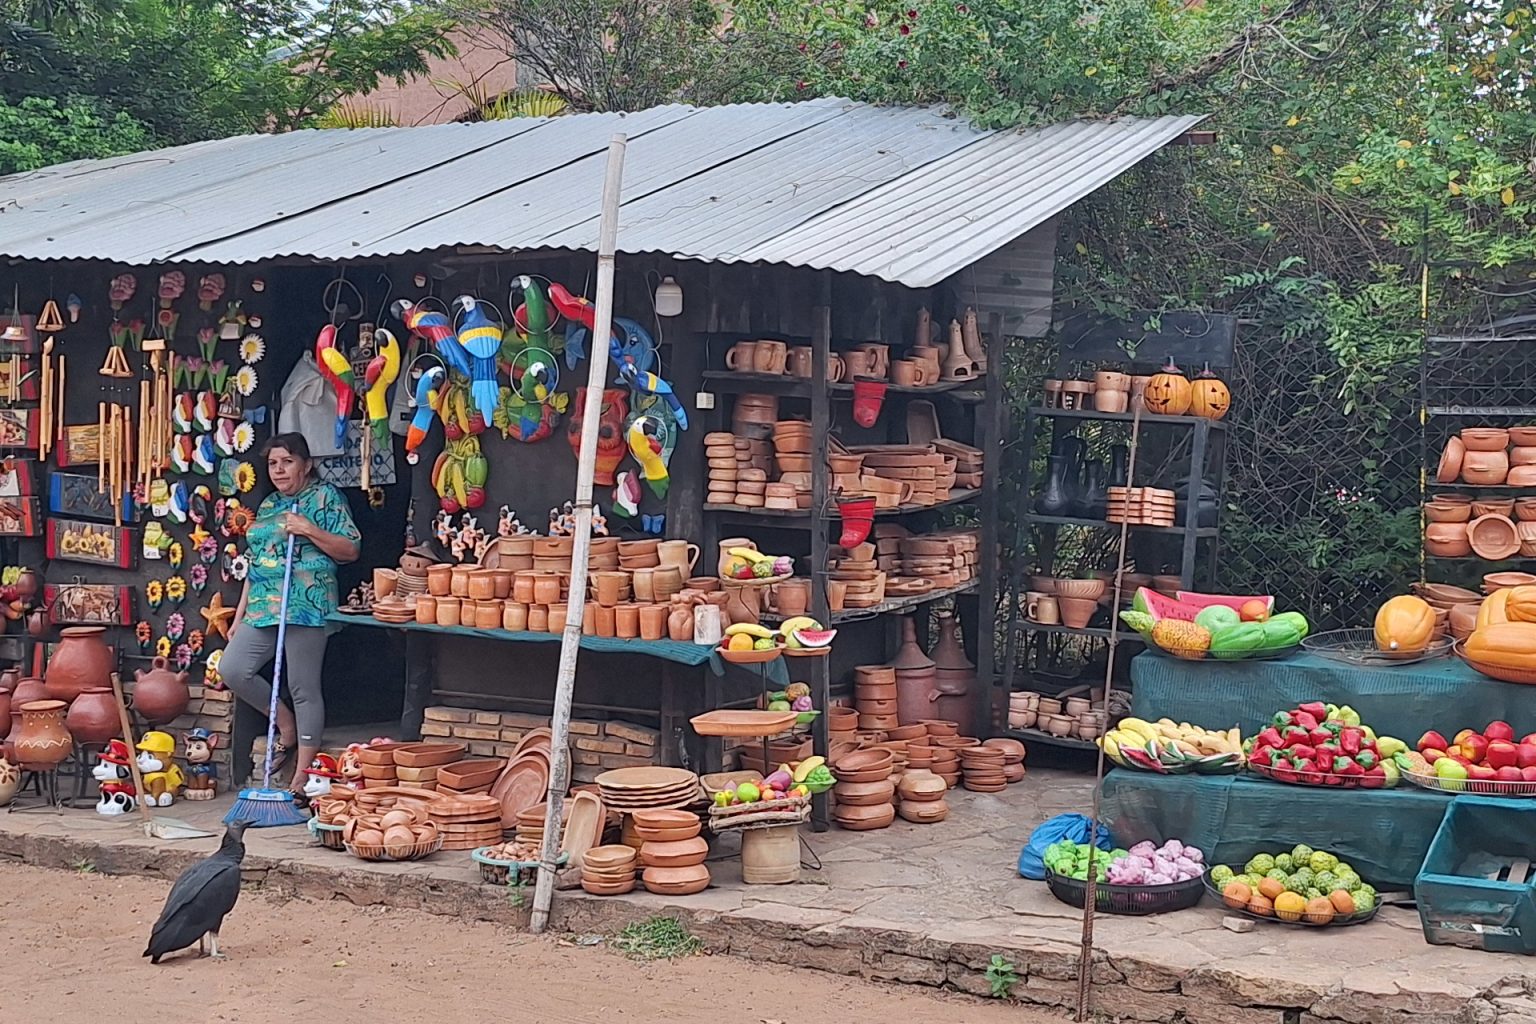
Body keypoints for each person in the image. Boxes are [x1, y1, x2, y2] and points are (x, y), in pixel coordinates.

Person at [221, 433, 360, 794]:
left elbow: (350, 550)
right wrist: (238, 618)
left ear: (306, 464)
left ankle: (302, 775)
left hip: (306, 604)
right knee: (233, 669)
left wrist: (309, 529)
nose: (279, 470)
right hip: (262, 606)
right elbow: (255, 565)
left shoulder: (326, 497)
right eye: (273, 463)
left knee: (302, 686)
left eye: (288, 461)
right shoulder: (267, 506)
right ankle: (285, 724)